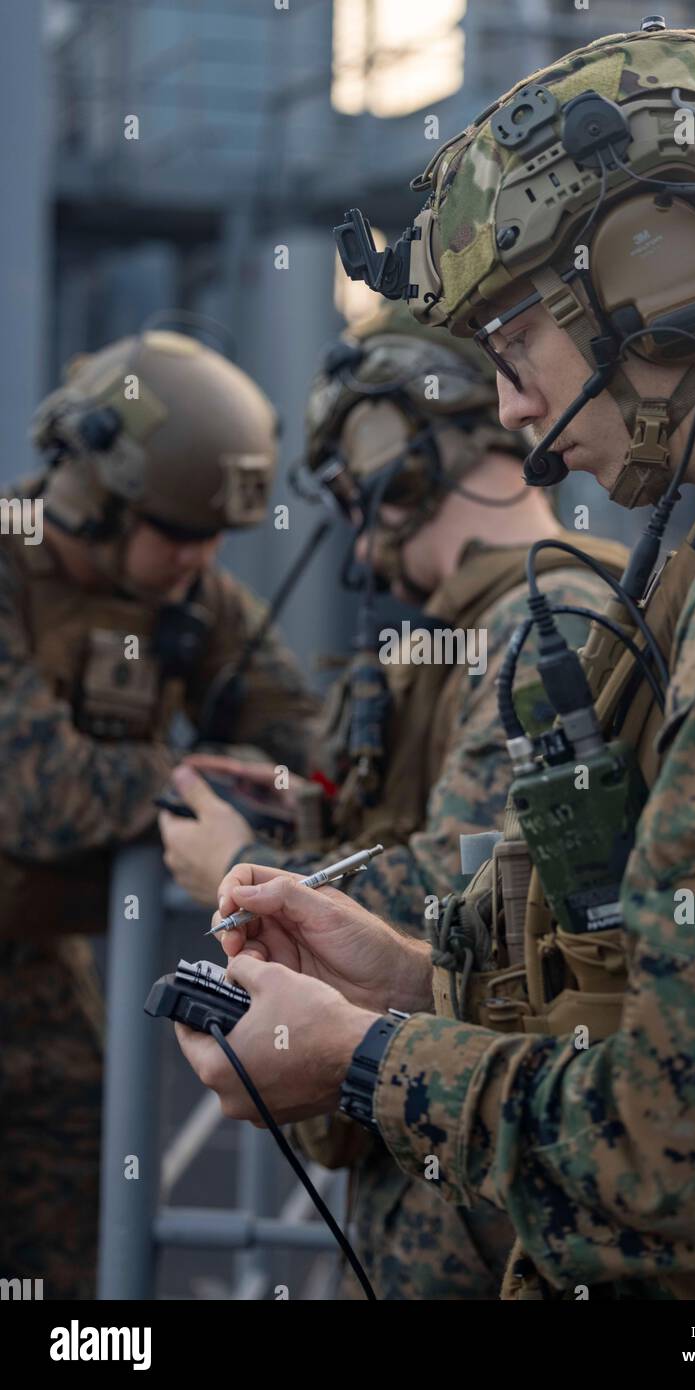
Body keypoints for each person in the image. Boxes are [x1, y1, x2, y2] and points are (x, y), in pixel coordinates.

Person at [178, 23, 695, 1299]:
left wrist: (367, 1059)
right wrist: (414, 977)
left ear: (650, 274)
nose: (510, 407)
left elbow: (690, 1149)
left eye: (510, 342)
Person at [161, 301, 628, 1298]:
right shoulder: (493, 623)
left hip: (479, 1220)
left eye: (349, 484)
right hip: (435, 1187)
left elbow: (470, 907)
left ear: (394, 455)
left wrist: (233, 864)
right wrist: (298, 811)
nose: (356, 535)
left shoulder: (551, 620)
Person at [0, 329, 319, 1299]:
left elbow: (308, 758)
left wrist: (257, 786)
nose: (202, 556)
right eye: (180, 531)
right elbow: (37, 792)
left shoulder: (189, 596)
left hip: (31, 959)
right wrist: (197, 784)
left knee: (73, 1214)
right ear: (96, 497)